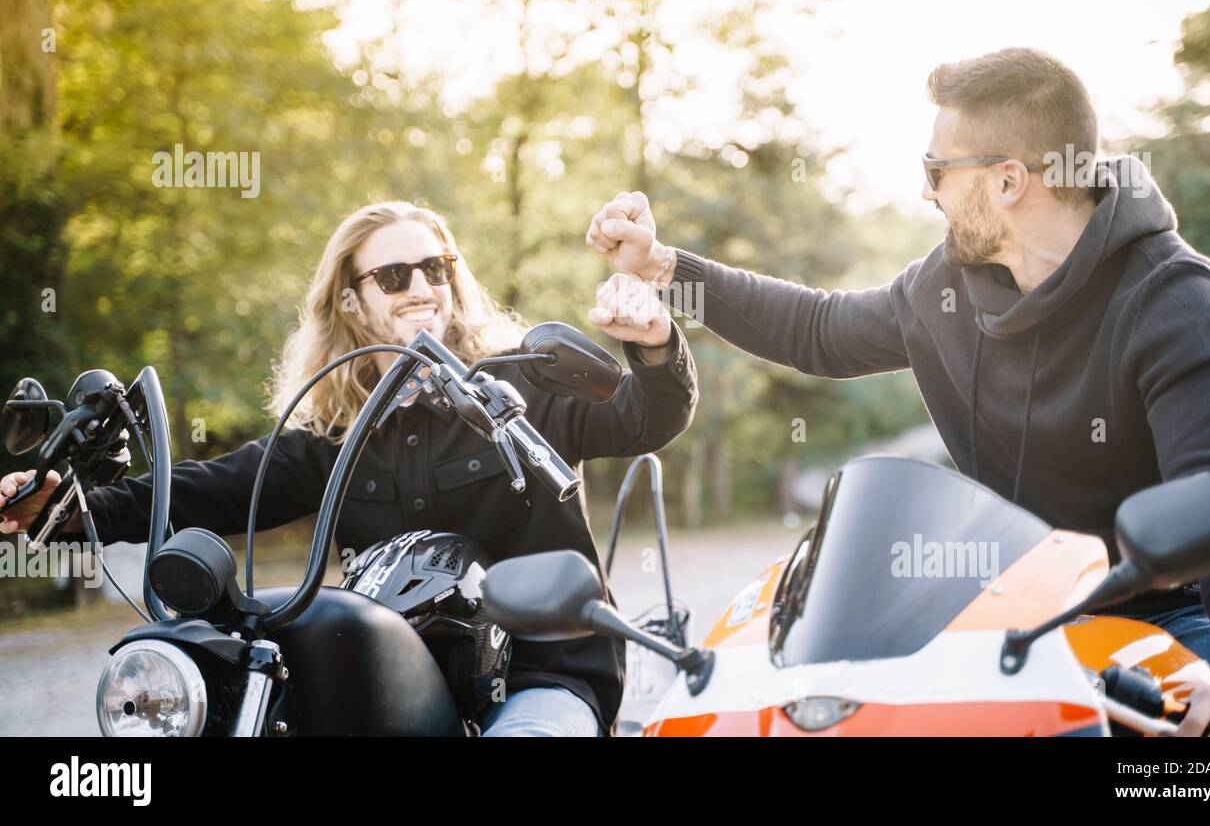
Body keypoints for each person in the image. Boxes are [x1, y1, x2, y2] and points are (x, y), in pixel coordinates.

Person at [587, 47, 1210, 737]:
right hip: (1010, 613)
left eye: (936, 170)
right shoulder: (948, 289)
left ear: (1008, 181)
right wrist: (662, 267)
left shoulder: (1176, 300)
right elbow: (817, 329)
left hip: (1167, 615)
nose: (927, 191)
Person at [1, 200, 698, 737]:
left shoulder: (520, 387)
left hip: (541, 673)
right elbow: (218, 487)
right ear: (351, 302)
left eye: (437, 268)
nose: (421, 285)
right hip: (389, 682)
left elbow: (646, 416)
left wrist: (657, 342)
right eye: (394, 275)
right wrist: (69, 510)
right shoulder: (337, 429)